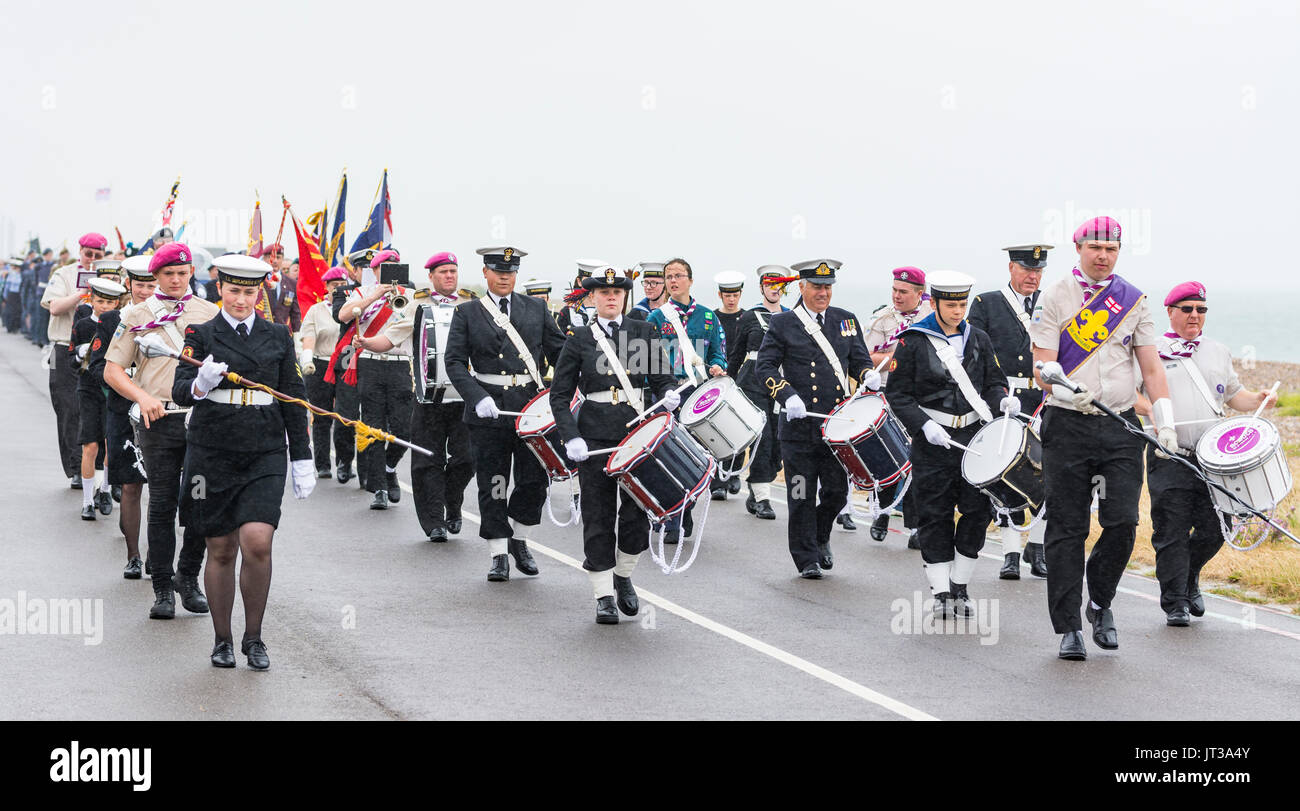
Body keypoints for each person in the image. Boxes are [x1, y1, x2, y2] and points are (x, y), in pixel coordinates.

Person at [1029, 216, 1176, 661]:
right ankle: (1068, 626)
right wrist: (1066, 389)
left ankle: (1100, 602)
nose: (1103, 255)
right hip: (1068, 423)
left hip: (1119, 425)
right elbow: (1043, 368)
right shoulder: (1053, 297)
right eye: (1095, 247)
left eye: (1111, 249)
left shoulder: (1133, 301)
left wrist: (1164, 421)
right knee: (1067, 527)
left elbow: (1151, 368)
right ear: (1078, 248)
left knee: (1123, 522)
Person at [173, 254, 315, 670]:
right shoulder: (200, 333)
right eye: (233, 291)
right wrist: (200, 383)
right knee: (220, 547)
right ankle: (223, 640)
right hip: (212, 450)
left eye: (249, 292)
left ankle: (254, 638)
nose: (241, 300)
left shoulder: (277, 335)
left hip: (264, 449)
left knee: (257, 540)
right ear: (220, 289)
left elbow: (293, 396)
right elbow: (180, 389)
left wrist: (302, 456)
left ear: (260, 293)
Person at [1137, 281, 1277, 625]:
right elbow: (1131, 394)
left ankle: (1189, 576)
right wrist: (1154, 414)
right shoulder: (1150, 350)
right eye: (1187, 309)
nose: (1195, 315)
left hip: (1213, 460)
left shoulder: (1217, 350)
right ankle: (1175, 604)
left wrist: (1257, 400)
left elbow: (1233, 396)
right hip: (1168, 454)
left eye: (1201, 309)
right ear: (1170, 312)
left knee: (1216, 528)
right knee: (1171, 530)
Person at [550, 267, 680, 623]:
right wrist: (570, 436)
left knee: (637, 513)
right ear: (592, 297)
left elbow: (663, 376)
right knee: (597, 513)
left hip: (635, 434)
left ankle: (624, 575)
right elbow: (559, 396)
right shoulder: (578, 338)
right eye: (604, 292)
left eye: (618, 292)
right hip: (593, 435)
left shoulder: (641, 331)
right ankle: (602, 593)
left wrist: (668, 393)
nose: (611, 297)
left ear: (624, 296)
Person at [885, 271, 1010, 616]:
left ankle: (960, 584)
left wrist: (1002, 401)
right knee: (935, 514)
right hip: (933, 441)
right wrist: (923, 425)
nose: (958, 311)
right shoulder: (913, 341)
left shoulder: (979, 339)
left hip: (974, 439)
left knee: (977, 511)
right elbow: (897, 393)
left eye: (962, 304)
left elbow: (994, 382)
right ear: (935, 303)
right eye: (951, 305)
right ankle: (941, 591)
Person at [104, 242, 218, 619]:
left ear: (191, 274)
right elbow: (113, 370)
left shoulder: (209, 313)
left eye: (182, 273)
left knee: (199, 502)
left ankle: (189, 577)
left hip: (199, 420)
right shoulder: (136, 314)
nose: (175, 280)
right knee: (163, 504)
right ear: (155, 277)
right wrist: (142, 396)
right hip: (158, 420)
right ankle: (163, 588)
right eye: (168, 274)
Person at [445, 246, 567, 581]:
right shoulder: (468, 313)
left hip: (530, 408)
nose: (504, 277)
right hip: (489, 410)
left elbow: (560, 353)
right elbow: (454, 361)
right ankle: (498, 551)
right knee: (494, 482)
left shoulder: (536, 309)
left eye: (510, 272)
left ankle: (520, 539)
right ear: (485, 272)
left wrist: (575, 386)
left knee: (533, 481)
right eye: (498, 271)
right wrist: (475, 395)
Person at [755, 258, 876, 578]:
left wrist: (868, 375)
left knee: (837, 492)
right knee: (800, 494)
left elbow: (859, 361)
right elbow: (764, 367)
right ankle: (806, 557)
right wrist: (785, 394)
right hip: (797, 426)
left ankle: (821, 536)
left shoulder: (846, 321)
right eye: (817, 287)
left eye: (827, 287)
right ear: (802, 287)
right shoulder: (782, 323)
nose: (823, 292)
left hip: (835, 426)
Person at [367, 252, 476, 542]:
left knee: (467, 459)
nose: (449, 276)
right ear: (431, 276)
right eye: (443, 272)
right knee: (428, 460)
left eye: (453, 270)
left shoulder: (472, 303)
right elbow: (390, 338)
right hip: (428, 398)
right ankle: (434, 523)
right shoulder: (417, 304)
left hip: (465, 397)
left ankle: (453, 502)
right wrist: (367, 343)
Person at [968, 244, 1053, 579]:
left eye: (1038, 271)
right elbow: (975, 355)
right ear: (1011, 268)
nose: (1033, 276)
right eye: (1026, 269)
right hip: (1004, 399)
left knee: (1047, 472)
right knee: (1005, 475)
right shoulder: (986, 304)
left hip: (1043, 399)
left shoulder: (1051, 305)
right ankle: (1010, 552)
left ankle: (1038, 545)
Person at [644, 257, 728, 543]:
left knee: (693, 455)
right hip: (666, 394)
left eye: (678, 275)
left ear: (690, 280)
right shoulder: (656, 318)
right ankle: (673, 517)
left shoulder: (707, 316)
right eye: (668, 276)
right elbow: (644, 359)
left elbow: (719, 351)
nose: (673, 281)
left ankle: (684, 509)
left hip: (698, 395)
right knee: (666, 456)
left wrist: (717, 366)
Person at [92, 255, 155, 578]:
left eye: (151, 284)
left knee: (162, 489)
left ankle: (161, 560)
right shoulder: (113, 319)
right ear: (128, 285)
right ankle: (133, 555)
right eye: (140, 284)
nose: (146, 291)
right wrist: (125, 377)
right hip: (123, 411)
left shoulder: (177, 317)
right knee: (130, 486)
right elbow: (96, 368)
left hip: (162, 411)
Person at [341, 249, 416, 509]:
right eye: (384, 266)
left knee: (403, 428)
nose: (390, 269)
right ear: (374, 271)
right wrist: (375, 294)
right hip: (370, 364)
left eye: (395, 265)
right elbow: (343, 315)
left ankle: (389, 467)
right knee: (374, 429)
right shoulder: (362, 294)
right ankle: (379, 489)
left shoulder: (411, 296)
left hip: (400, 366)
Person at [863, 266, 933, 543]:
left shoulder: (931, 317)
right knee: (889, 455)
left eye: (903, 292)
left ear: (919, 293)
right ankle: (883, 511)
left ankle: (915, 525)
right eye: (894, 290)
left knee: (918, 458)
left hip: (921, 395)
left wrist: (891, 356)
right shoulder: (884, 318)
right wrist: (901, 360)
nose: (897, 296)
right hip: (889, 392)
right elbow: (868, 355)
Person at [41, 233, 107, 486]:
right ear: (80, 251)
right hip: (64, 347)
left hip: (98, 349)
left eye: (97, 256)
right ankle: (75, 467)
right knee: (69, 409)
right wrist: (83, 293)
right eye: (88, 254)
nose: (92, 260)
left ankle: (96, 467)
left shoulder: (110, 273)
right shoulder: (64, 274)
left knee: (99, 410)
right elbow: (55, 307)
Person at [733, 265, 792, 520]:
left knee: (779, 440)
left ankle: (757, 488)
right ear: (761, 288)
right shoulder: (749, 317)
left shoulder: (792, 317)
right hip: (753, 380)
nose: (774, 289)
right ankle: (763, 498)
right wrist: (727, 379)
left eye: (779, 285)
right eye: (769, 284)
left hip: (782, 382)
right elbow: (735, 354)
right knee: (763, 436)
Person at [72, 276, 126, 520]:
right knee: (90, 445)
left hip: (112, 388)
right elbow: (72, 356)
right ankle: (86, 501)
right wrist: (80, 352)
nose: (105, 306)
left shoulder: (121, 325)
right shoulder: (83, 324)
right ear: (91, 300)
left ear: (117, 304)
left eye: (110, 302)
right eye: (100, 300)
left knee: (109, 443)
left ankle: (104, 489)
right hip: (89, 388)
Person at [325, 249, 372, 486]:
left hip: (378, 355)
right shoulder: (344, 292)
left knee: (372, 417)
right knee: (347, 413)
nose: (370, 273)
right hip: (349, 356)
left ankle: (367, 470)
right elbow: (340, 317)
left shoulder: (393, 289)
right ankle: (344, 459)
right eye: (364, 268)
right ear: (354, 271)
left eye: (375, 267)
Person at [299, 267, 348, 478]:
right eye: (334, 286)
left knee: (346, 416)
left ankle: (345, 463)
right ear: (326, 287)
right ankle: (323, 464)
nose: (338, 289)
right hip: (321, 365)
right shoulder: (316, 310)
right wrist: (307, 358)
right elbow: (308, 336)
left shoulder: (351, 309)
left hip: (346, 365)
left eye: (342, 285)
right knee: (322, 415)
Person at [711, 271, 748, 498]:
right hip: (718, 378)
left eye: (735, 295)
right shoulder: (712, 318)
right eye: (727, 295)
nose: (731, 299)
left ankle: (734, 472)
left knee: (739, 427)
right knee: (717, 430)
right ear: (720, 295)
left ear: (740, 294)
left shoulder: (747, 318)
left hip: (741, 379)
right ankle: (718, 481)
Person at [555, 259, 604, 335]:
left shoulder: (609, 309)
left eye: (596, 281)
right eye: (588, 281)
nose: (592, 285)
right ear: (579, 282)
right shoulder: (568, 312)